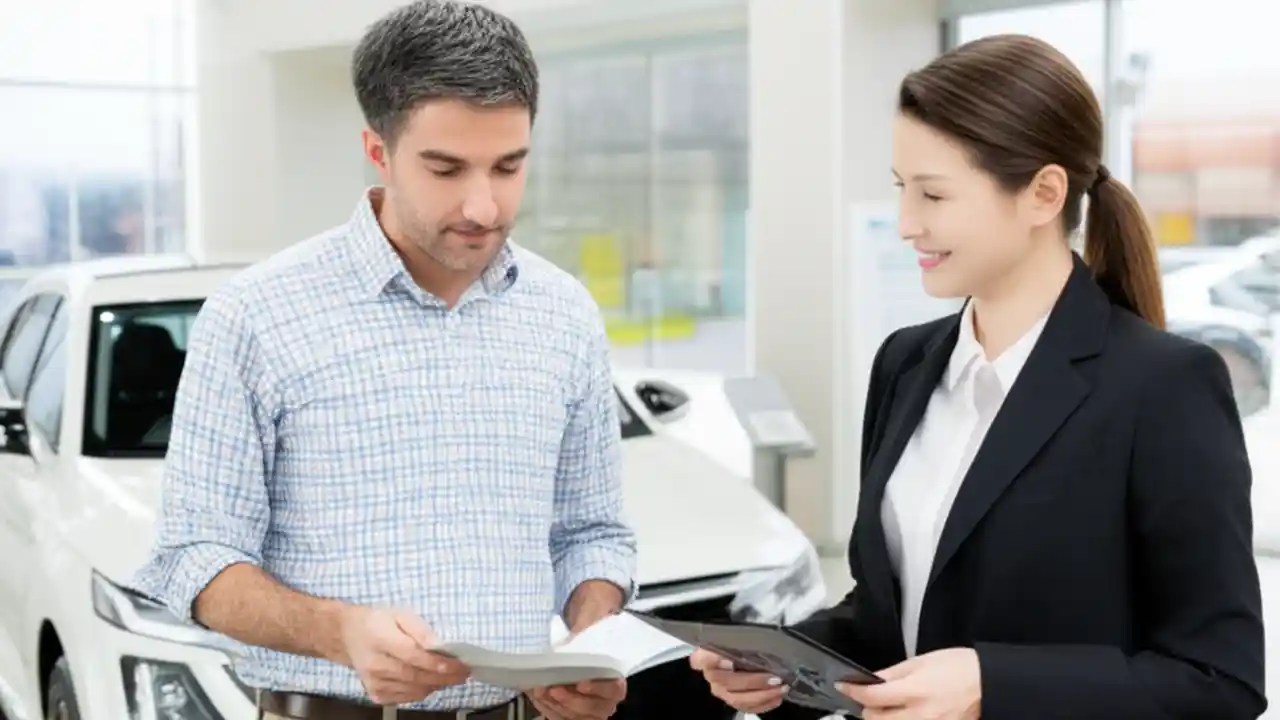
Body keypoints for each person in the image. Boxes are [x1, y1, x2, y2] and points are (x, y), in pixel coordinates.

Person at [691, 34, 1267, 720]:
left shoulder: (1164, 386)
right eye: (903, 190)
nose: (907, 224)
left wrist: (992, 685)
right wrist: (785, 659)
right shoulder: (905, 363)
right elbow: (888, 617)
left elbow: (1219, 680)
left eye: (934, 195)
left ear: (1043, 194)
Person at [132, 2, 637, 718]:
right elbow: (194, 560)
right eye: (445, 168)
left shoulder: (565, 315)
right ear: (378, 150)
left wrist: (592, 637)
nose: (484, 206)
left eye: (508, 166)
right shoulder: (258, 316)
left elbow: (593, 534)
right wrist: (340, 633)